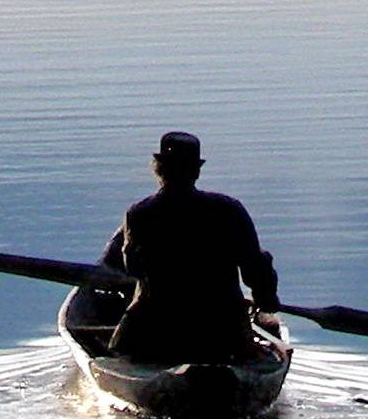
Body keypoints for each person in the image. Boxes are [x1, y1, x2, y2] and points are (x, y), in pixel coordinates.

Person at [100, 132, 279, 365]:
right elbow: (256, 268)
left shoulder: (141, 214)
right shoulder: (228, 210)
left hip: (155, 336)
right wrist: (266, 302)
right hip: (224, 335)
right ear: (196, 171)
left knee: (124, 341)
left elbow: (133, 268)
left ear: (159, 169)